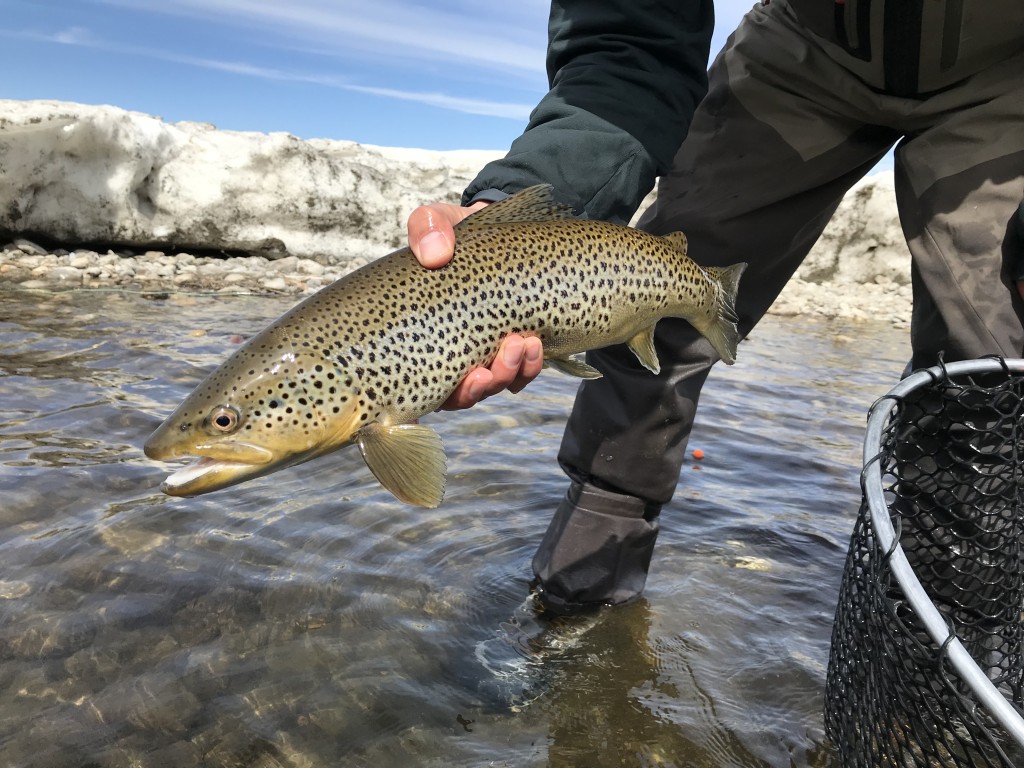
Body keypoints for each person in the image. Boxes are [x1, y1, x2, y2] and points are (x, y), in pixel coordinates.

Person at [406, 0, 1024, 615]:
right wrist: (522, 210)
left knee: (988, 378)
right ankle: (575, 598)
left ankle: (952, 629)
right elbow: (627, 38)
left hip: (1009, 68)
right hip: (807, 51)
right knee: (649, 322)